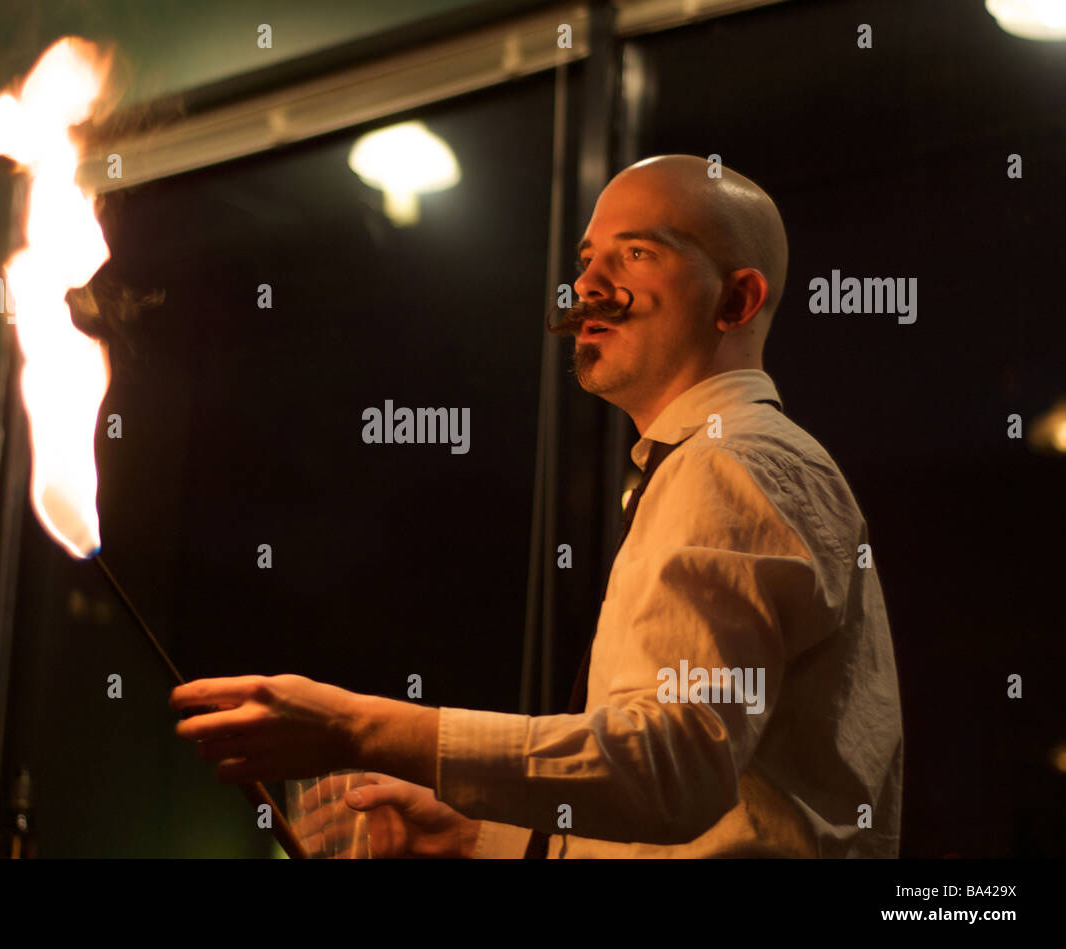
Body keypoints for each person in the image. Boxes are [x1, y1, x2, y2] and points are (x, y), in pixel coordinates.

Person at [170, 154, 904, 858]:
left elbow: (671, 765)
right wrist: (470, 836)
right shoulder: (715, 461)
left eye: (637, 253)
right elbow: (694, 804)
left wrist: (359, 727)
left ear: (736, 300)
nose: (587, 283)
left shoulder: (728, 462)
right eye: (587, 257)